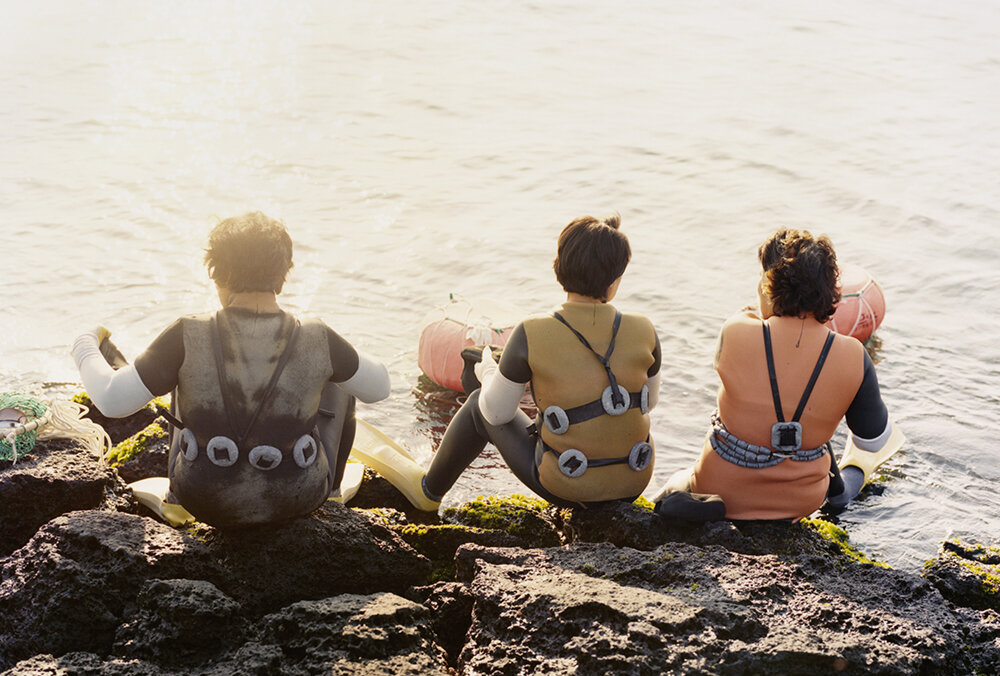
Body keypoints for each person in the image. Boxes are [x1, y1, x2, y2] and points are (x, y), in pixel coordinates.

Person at [72, 212, 390, 528]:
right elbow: (379, 388)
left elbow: (112, 401)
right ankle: (332, 493)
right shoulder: (317, 335)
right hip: (299, 497)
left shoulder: (188, 331)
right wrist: (332, 355)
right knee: (337, 378)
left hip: (203, 497)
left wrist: (85, 344)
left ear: (217, 272)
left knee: (185, 374)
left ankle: (175, 500)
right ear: (284, 272)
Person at [419, 213, 661, 510]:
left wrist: (487, 373)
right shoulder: (645, 329)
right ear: (615, 280)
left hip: (568, 485)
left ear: (558, 266)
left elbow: (495, 415)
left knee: (477, 404)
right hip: (633, 482)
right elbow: (648, 402)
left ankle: (427, 493)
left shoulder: (531, 331)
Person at [659, 227, 895, 520]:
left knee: (676, 484)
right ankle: (844, 487)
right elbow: (871, 440)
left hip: (720, 487)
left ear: (767, 285)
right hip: (800, 501)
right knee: (845, 467)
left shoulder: (735, 331)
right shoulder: (854, 355)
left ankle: (679, 501)